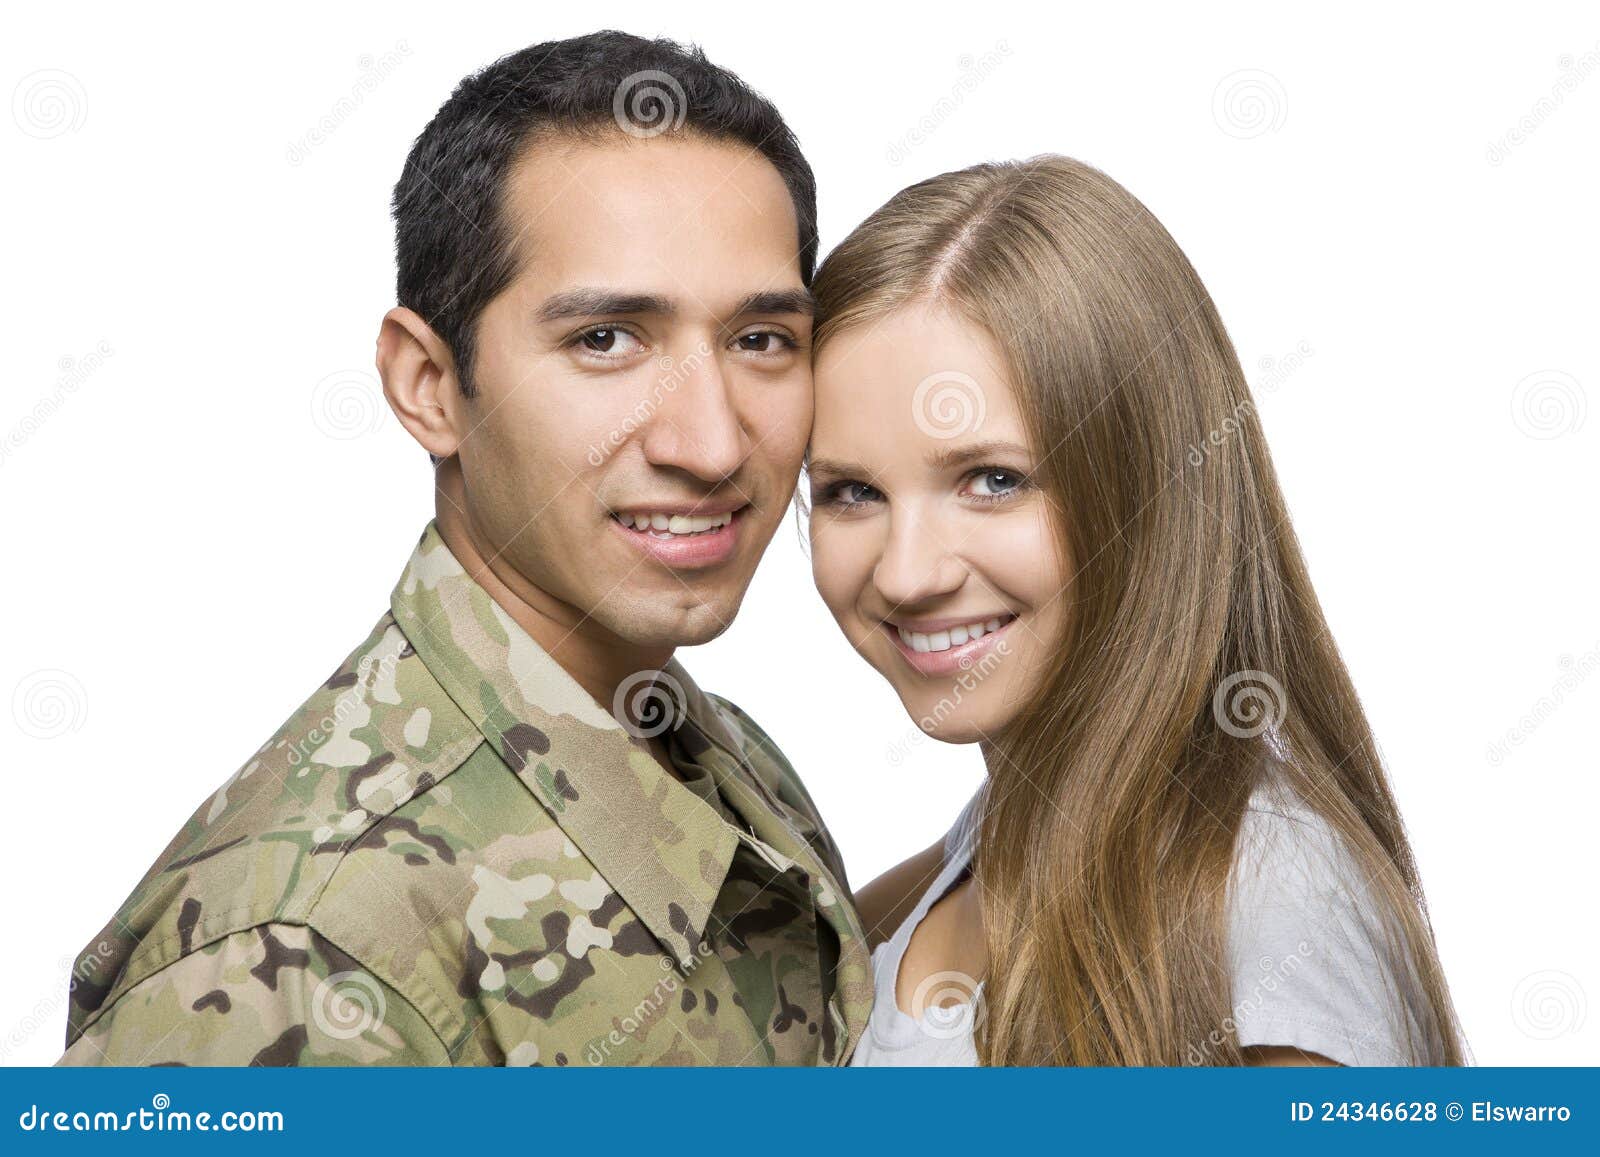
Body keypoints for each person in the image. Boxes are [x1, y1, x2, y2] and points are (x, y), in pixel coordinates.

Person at [59, 31, 872, 1067]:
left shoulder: (732, 764)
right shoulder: (296, 954)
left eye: (760, 340)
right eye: (605, 339)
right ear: (428, 384)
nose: (710, 442)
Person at [805, 155, 1468, 1066]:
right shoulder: (894, 909)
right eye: (849, 491)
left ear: (1148, 487)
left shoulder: (1269, 890)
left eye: (993, 480)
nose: (908, 573)